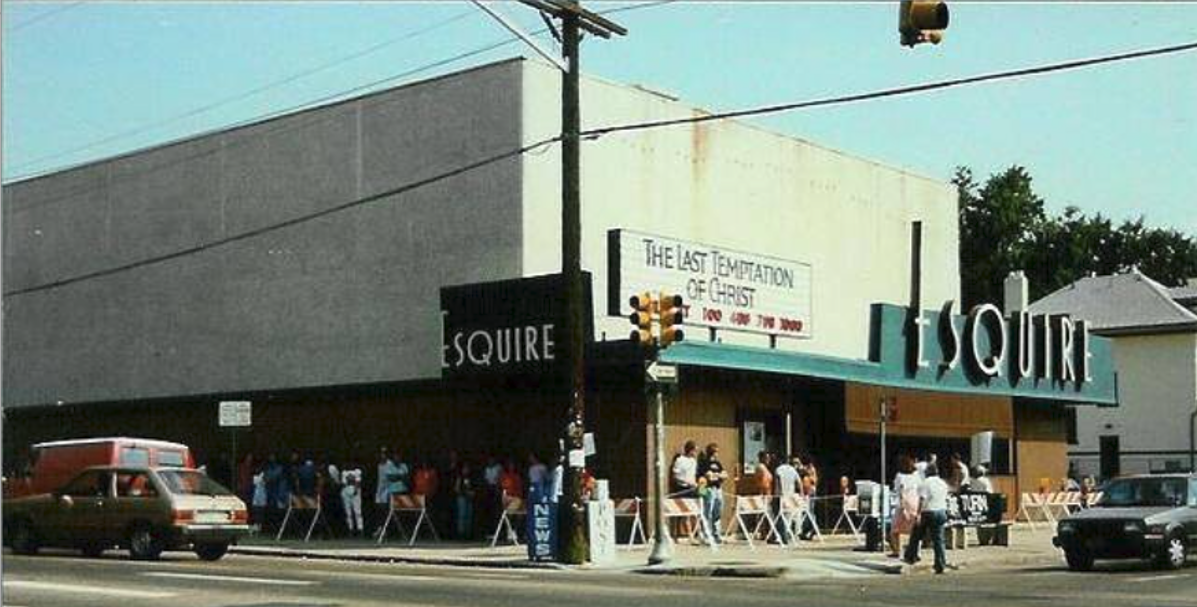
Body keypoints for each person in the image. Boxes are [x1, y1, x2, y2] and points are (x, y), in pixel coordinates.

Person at [904, 463, 950, 574]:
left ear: (927, 472)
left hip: (928, 511)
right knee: (939, 540)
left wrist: (918, 514)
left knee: (916, 534)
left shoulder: (925, 483)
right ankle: (940, 564)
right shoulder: (943, 483)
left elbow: (922, 500)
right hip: (941, 511)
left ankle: (911, 556)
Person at [890, 454, 922, 557]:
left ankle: (897, 551)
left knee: (894, 530)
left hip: (904, 504)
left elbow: (900, 492)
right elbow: (920, 490)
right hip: (915, 503)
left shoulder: (899, 476)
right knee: (915, 530)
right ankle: (917, 552)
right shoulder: (917, 475)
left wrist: (903, 508)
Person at [696, 443, 728, 542]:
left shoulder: (718, 463)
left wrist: (717, 475)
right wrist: (718, 475)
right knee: (707, 511)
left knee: (717, 511)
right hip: (708, 489)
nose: (717, 454)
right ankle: (707, 534)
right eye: (715, 452)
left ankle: (716, 534)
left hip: (718, 489)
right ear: (711, 452)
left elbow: (725, 475)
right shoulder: (704, 463)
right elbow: (709, 476)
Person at [774, 455, 800, 543]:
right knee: (789, 517)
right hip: (791, 496)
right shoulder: (793, 470)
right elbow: (798, 482)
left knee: (780, 516)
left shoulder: (778, 469)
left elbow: (778, 483)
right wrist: (801, 494)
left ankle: (781, 536)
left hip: (782, 496)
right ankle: (787, 534)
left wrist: (778, 493)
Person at [454, 461, 476, 539]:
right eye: (465, 468)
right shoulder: (460, 477)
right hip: (462, 498)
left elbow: (474, 488)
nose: (466, 470)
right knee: (462, 515)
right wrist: (463, 492)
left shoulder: (471, 478)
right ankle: (461, 533)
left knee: (469, 515)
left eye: (467, 468)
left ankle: (468, 533)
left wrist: (472, 493)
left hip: (469, 498)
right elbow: (456, 488)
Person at [341, 465, 365, 536]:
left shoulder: (357, 471)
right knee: (348, 513)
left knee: (357, 512)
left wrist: (355, 489)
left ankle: (360, 529)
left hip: (355, 492)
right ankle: (350, 529)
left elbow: (358, 482)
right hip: (346, 491)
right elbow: (344, 483)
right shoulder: (344, 472)